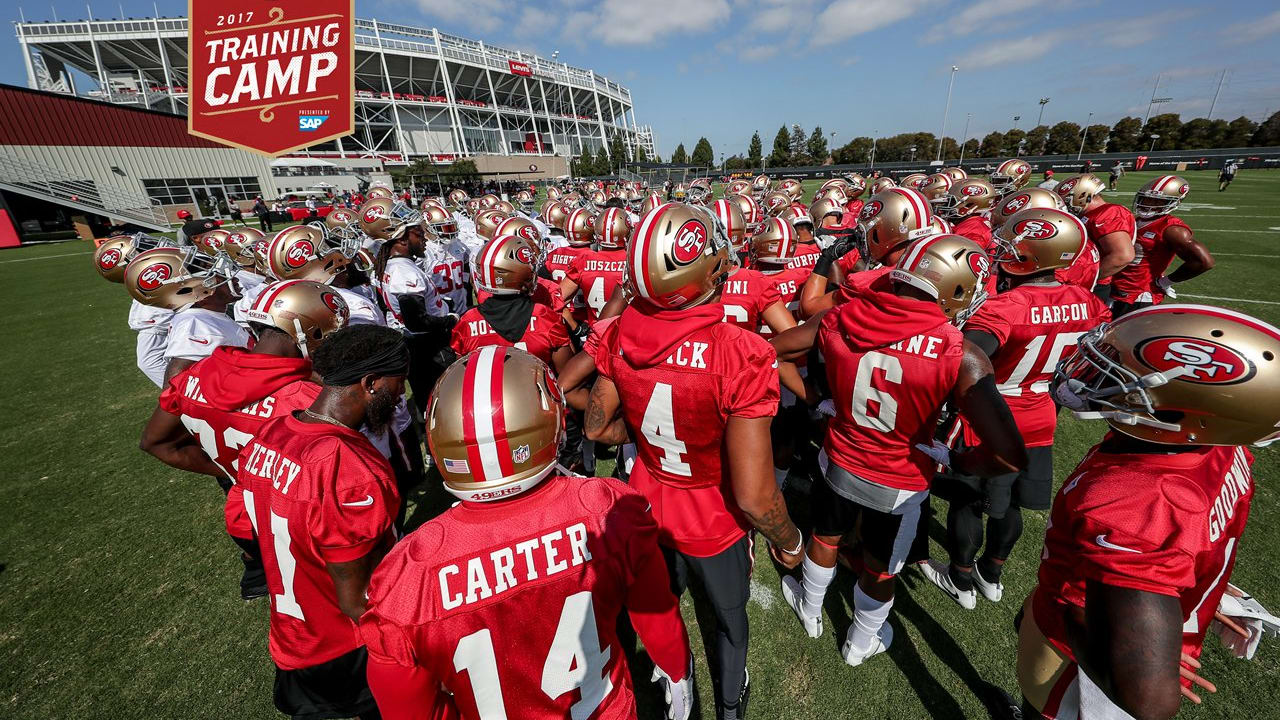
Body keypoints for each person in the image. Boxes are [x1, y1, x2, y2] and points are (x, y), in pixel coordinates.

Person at [361, 347, 696, 720]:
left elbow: (410, 711)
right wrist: (677, 671)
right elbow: (658, 615)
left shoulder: (407, 578)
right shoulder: (607, 510)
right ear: (546, 418)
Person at [586, 203, 803, 720]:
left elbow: (595, 426)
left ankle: (671, 673)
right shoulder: (740, 352)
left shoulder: (619, 334)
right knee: (730, 621)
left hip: (647, 498)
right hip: (713, 516)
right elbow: (753, 495)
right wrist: (792, 540)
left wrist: (644, 432)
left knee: (660, 603)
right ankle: (729, 703)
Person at [771, 234, 1026, 668]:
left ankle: (811, 610)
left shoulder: (843, 317)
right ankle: (860, 641)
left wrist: (814, 397)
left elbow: (771, 351)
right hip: (900, 481)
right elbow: (1008, 454)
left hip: (838, 457)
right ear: (957, 288)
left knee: (825, 536)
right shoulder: (959, 353)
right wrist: (957, 460)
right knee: (881, 567)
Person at [1019, 304, 1280, 720]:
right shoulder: (1215, 446)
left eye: (1122, 375)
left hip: (1081, 677)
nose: (1099, 377)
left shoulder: (1133, 502)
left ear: (1183, 409)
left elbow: (1149, 700)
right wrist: (1191, 587)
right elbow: (1192, 533)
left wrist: (1068, 605)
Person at [917, 208, 1110, 609]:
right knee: (1013, 504)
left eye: (1011, 246)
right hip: (1042, 414)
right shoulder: (1089, 303)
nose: (1003, 252)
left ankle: (961, 577)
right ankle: (993, 572)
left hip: (990, 415)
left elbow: (963, 361)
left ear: (1032, 253)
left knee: (968, 501)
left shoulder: (1006, 307)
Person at [234, 324, 406, 720]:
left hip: (292, 639)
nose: (400, 395)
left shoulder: (272, 432)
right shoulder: (348, 468)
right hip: (347, 648)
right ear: (370, 382)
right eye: (399, 382)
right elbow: (357, 600)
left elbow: (245, 525)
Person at [140, 280, 349, 600]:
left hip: (243, 515)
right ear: (306, 332)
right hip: (303, 524)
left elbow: (155, 443)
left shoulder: (196, 374)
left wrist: (236, 471)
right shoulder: (308, 399)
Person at [122, 244, 248, 385]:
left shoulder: (210, 315)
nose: (231, 276)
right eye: (213, 273)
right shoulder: (195, 326)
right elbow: (175, 391)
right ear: (191, 289)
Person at [451, 234, 571, 371]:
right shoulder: (545, 317)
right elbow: (566, 376)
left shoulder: (467, 322)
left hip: (485, 392)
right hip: (533, 391)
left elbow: (461, 374)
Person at [1112, 175, 1215, 317]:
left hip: (1137, 296)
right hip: (1116, 287)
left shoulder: (1172, 229)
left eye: (1157, 200)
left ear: (1173, 203)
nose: (1148, 203)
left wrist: (1165, 282)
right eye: (1146, 198)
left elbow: (1204, 262)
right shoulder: (1137, 220)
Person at [1054, 173, 1135, 301]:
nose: (1064, 205)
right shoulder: (1091, 214)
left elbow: (1122, 256)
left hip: (1092, 286)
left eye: (1066, 200)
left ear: (1083, 195)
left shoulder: (1107, 213)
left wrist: (1090, 278)